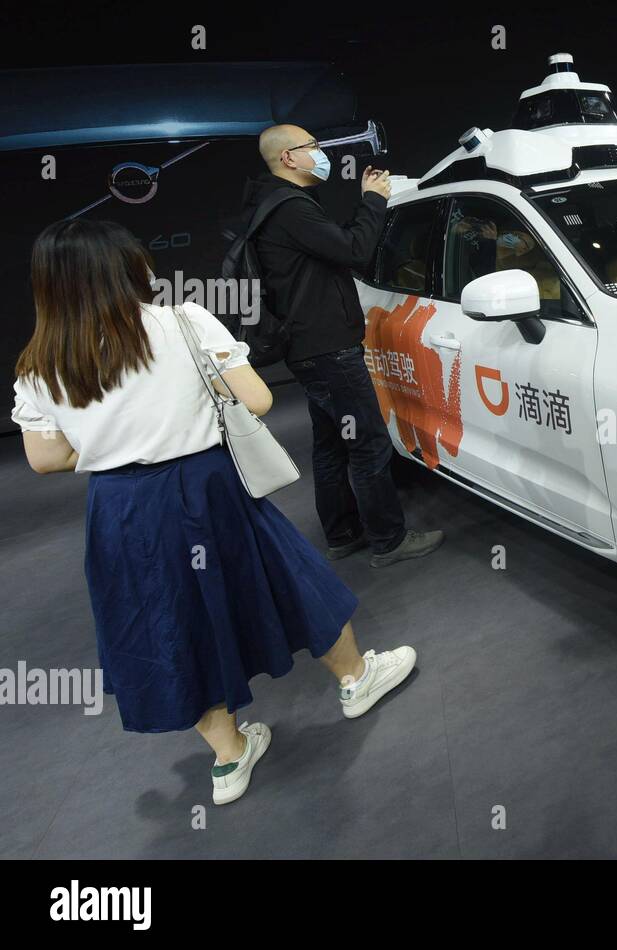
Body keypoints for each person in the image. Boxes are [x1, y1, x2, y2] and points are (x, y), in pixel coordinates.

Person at [11, 219, 418, 805]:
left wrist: (106, 439)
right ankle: (356, 680)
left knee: (164, 619)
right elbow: (257, 397)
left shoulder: (40, 363)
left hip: (120, 507)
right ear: (125, 266)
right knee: (283, 577)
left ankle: (229, 756)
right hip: (205, 485)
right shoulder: (182, 321)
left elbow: (45, 458)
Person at [241, 124, 443, 569]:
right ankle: (388, 540)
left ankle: (343, 534)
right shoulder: (290, 208)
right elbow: (354, 250)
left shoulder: (270, 205)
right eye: (313, 146)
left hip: (310, 347)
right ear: (289, 158)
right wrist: (373, 199)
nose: (322, 153)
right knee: (368, 443)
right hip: (329, 349)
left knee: (331, 444)